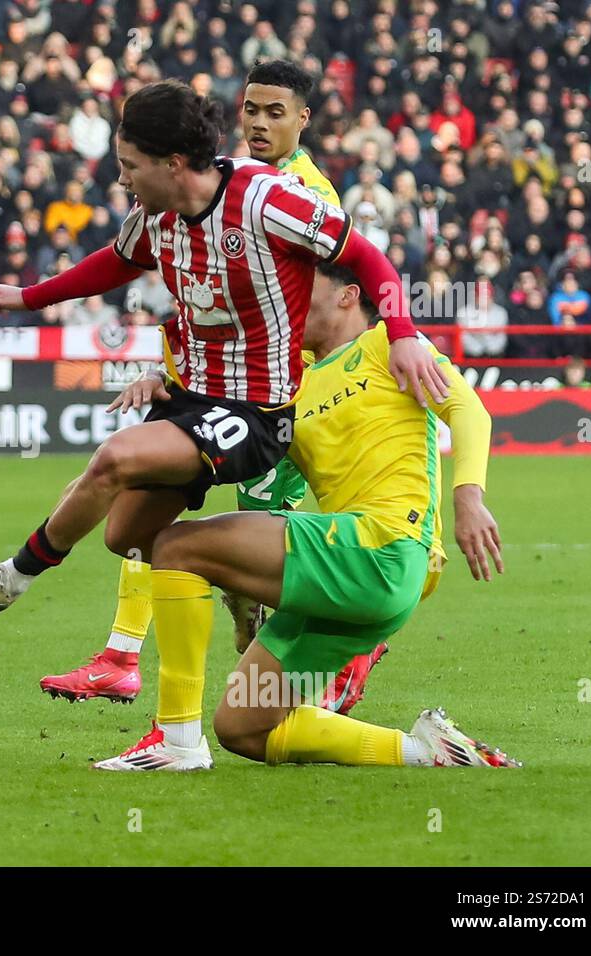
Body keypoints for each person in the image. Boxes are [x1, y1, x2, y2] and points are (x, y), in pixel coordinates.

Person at [0, 80, 445, 641]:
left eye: (130, 165)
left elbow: (368, 258)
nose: (122, 178)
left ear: (174, 163)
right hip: (191, 397)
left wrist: (401, 333)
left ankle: (11, 578)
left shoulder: (266, 199)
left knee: (114, 458)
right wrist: (29, 297)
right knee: (125, 537)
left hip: (255, 412)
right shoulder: (156, 211)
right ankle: (235, 571)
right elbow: (118, 261)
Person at [37, 59, 382, 710]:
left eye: (275, 112)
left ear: (303, 121)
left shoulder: (304, 193)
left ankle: (340, 643)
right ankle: (125, 658)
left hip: (282, 399)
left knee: (243, 560)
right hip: (221, 388)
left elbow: (325, 307)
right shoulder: (215, 183)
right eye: (251, 108)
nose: (257, 122)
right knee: (163, 513)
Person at [95, 262, 517, 771]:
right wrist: (174, 401)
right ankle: (426, 751)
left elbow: (468, 410)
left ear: (347, 296)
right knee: (244, 727)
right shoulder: (290, 388)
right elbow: (245, 474)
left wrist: (468, 498)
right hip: (346, 581)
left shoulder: (389, 344)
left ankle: (176, 742)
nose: (287, 302)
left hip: (383, 546)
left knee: (177, 547)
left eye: (302, 290)